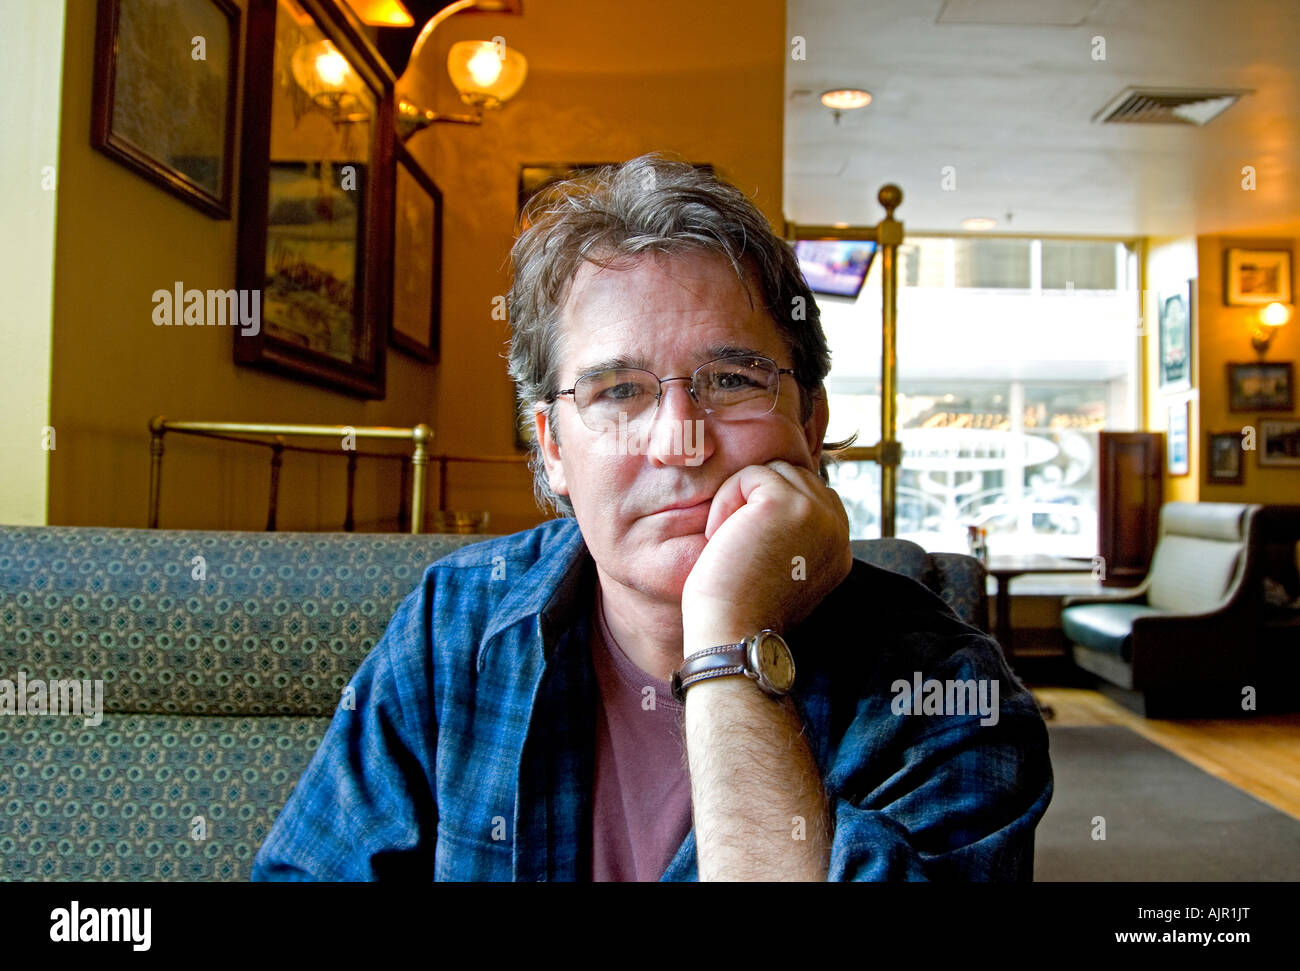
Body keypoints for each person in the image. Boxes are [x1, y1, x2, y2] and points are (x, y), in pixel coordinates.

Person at [251, 154, 1052, 882]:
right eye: (619, 391)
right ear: (553, 446)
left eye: (732, 378)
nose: (680, 441)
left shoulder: (947, 691)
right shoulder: (452, 625)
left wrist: (730, 637)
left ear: (810, 426)